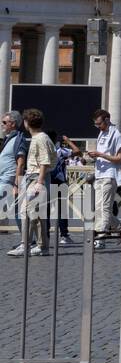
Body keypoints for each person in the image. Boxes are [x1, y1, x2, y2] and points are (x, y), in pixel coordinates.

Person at [9, 109, 55, 256]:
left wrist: (39, 182)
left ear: (26, 123)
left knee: (27, 211)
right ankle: (43, 247)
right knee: (38, 213)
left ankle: (25, 244)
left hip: (37, 178)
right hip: (35, 177)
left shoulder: (40, 138)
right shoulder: (41, 137)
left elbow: (44, 162)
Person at [86, 109, 121, 237]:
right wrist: (95, 157)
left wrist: (100, 154)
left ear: (107, 120)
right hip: (99, 175)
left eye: (99, 124)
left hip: (110, 175)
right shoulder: (101, 134)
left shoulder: (116, 135)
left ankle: (100, 236)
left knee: (104, 209)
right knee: (100, 209)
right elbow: (103, 155)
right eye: (96, 124)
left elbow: (119, 158)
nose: (98, 126)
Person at [0, 111, 29, 232]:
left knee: (18, 210)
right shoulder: (8, 139)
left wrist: (17, 185)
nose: (2, 124)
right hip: (4, 178)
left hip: (9, 180)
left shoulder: (19, 139)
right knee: (17, 211)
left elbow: (21, 163)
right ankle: (27, 241)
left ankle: (28, 241)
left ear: (12, 124)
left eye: (4, 122)